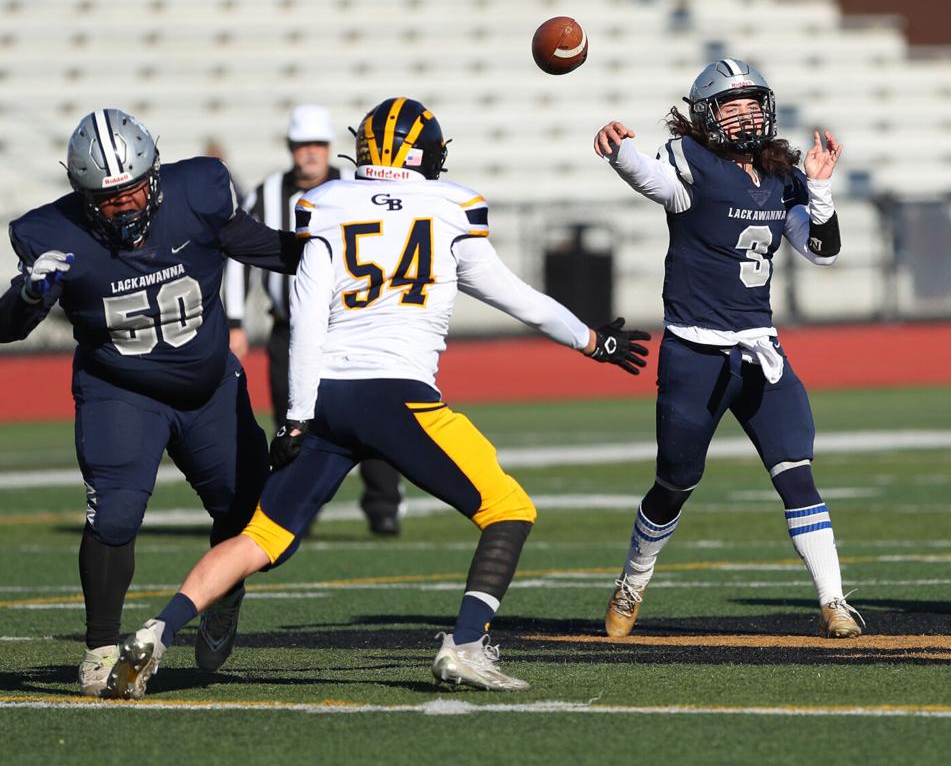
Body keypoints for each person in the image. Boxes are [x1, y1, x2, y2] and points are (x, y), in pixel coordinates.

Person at [105, 96, 650, 699]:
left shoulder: (327, 204)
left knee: (260, 539)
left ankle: (158, 631)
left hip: (330, 400)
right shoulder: (449, 209)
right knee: (509, 510)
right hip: (400, 397)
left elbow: (307, 316)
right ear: (429, 156)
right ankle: (465, 646)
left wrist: (296, 417)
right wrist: (592, 341)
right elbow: (517, 298)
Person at [0, 109, 303, 695]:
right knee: (113, 514)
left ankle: (223, 590)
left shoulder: (199, 193)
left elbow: (265, 248)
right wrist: (30, 293)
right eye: (110, 199)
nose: (127, 206)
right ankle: (100, 649)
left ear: (156, 173)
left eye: (135, 189)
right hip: (121, 390)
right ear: (85, 197)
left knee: (255, 523)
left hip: (208, 385)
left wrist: (335, 247)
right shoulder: (53, 235)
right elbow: (9, 326)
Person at [592, 58, 862, 639]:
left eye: (752, 103)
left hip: (760, 352)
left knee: (797, 473)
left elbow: (823, 251)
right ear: (705, 117)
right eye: (731, 106)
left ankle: (834, 601)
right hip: (696, 355)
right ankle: (633, 581)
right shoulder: (691, 164)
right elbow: (654, 182)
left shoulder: (783, 176)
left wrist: (820, 187)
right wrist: (620, 153)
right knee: (674, 484)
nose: (745, 116)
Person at [225, 104, 406, 536]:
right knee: (293, 419)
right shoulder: (265, 194)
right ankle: (297, 506)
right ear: (290, 148)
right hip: (289, 326)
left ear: (330, 149)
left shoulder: (356, 188)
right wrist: (234, 320)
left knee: (375, 414)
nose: (310, 153)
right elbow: (238, 259)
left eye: (318, 145)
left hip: (351, 323)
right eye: (302, 144)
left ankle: (383, 505)